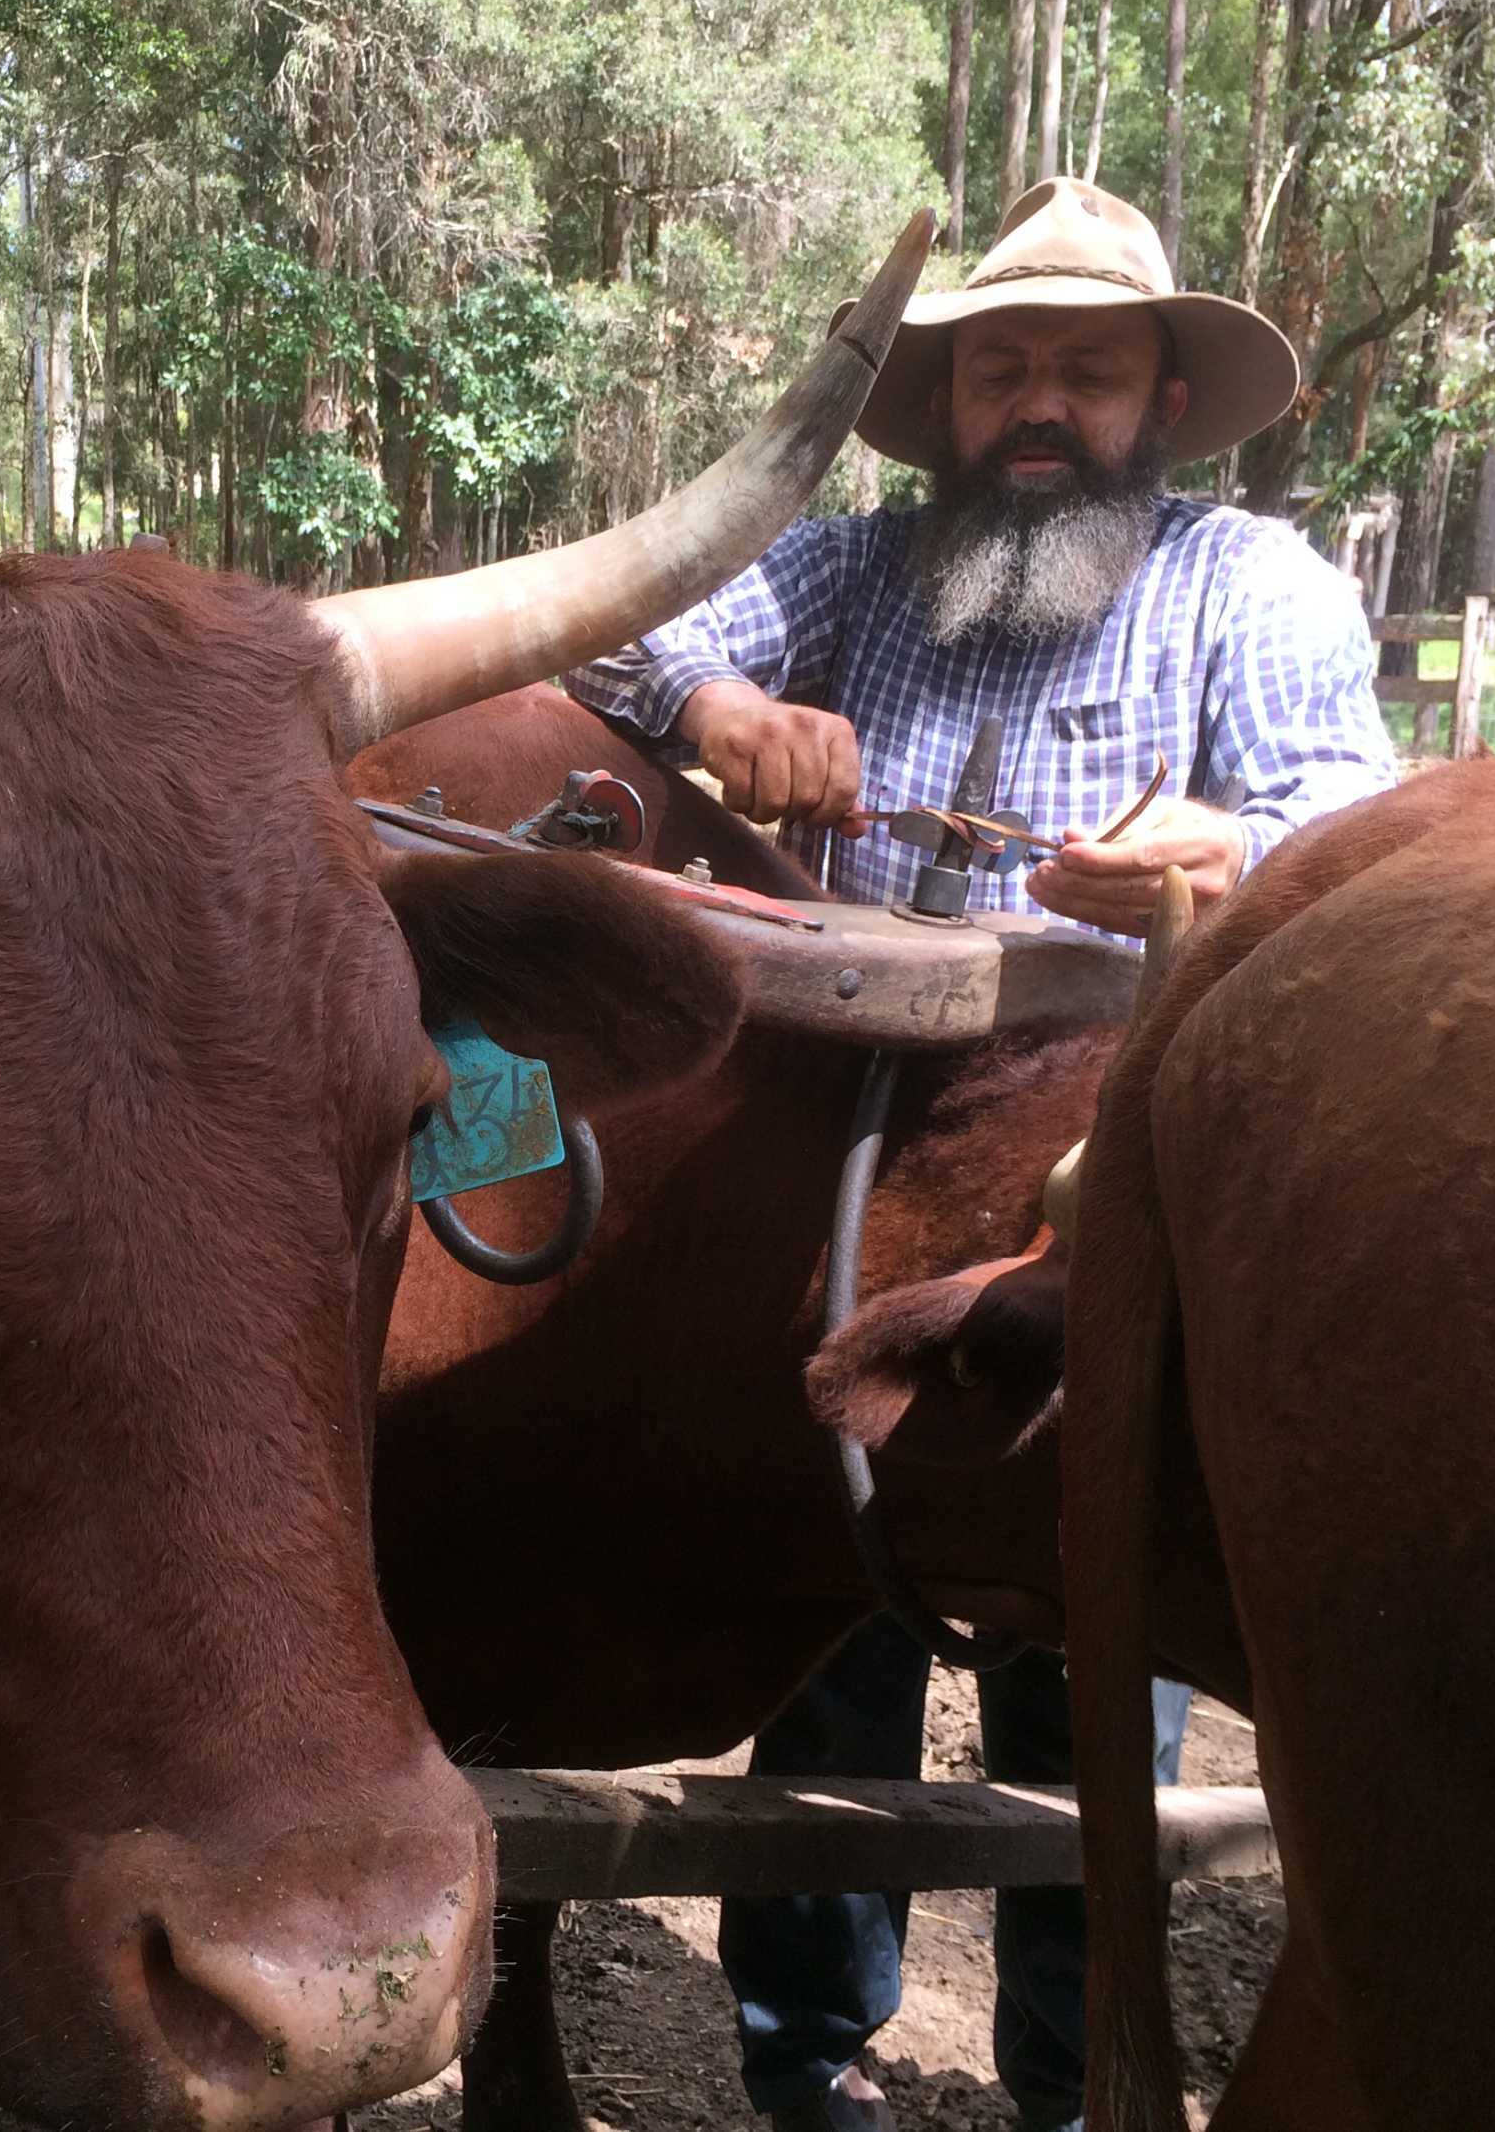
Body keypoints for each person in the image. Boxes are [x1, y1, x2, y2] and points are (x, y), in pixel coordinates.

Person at [564, 178, 1400, 2132]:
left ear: (1161, 402)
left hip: (1101, 1206)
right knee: (823, 1627)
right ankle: (809, 2064)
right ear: (945, 408)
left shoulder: (1243, 590)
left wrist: (1228, 856)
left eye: (1085, 370)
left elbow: (1354, 833)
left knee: (1094, 1635)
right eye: (1001, 366)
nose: (1041, 404)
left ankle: (1074, 2078)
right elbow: (629, 644)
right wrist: (724, 706)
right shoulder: (857, 573)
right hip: (833, 1186)